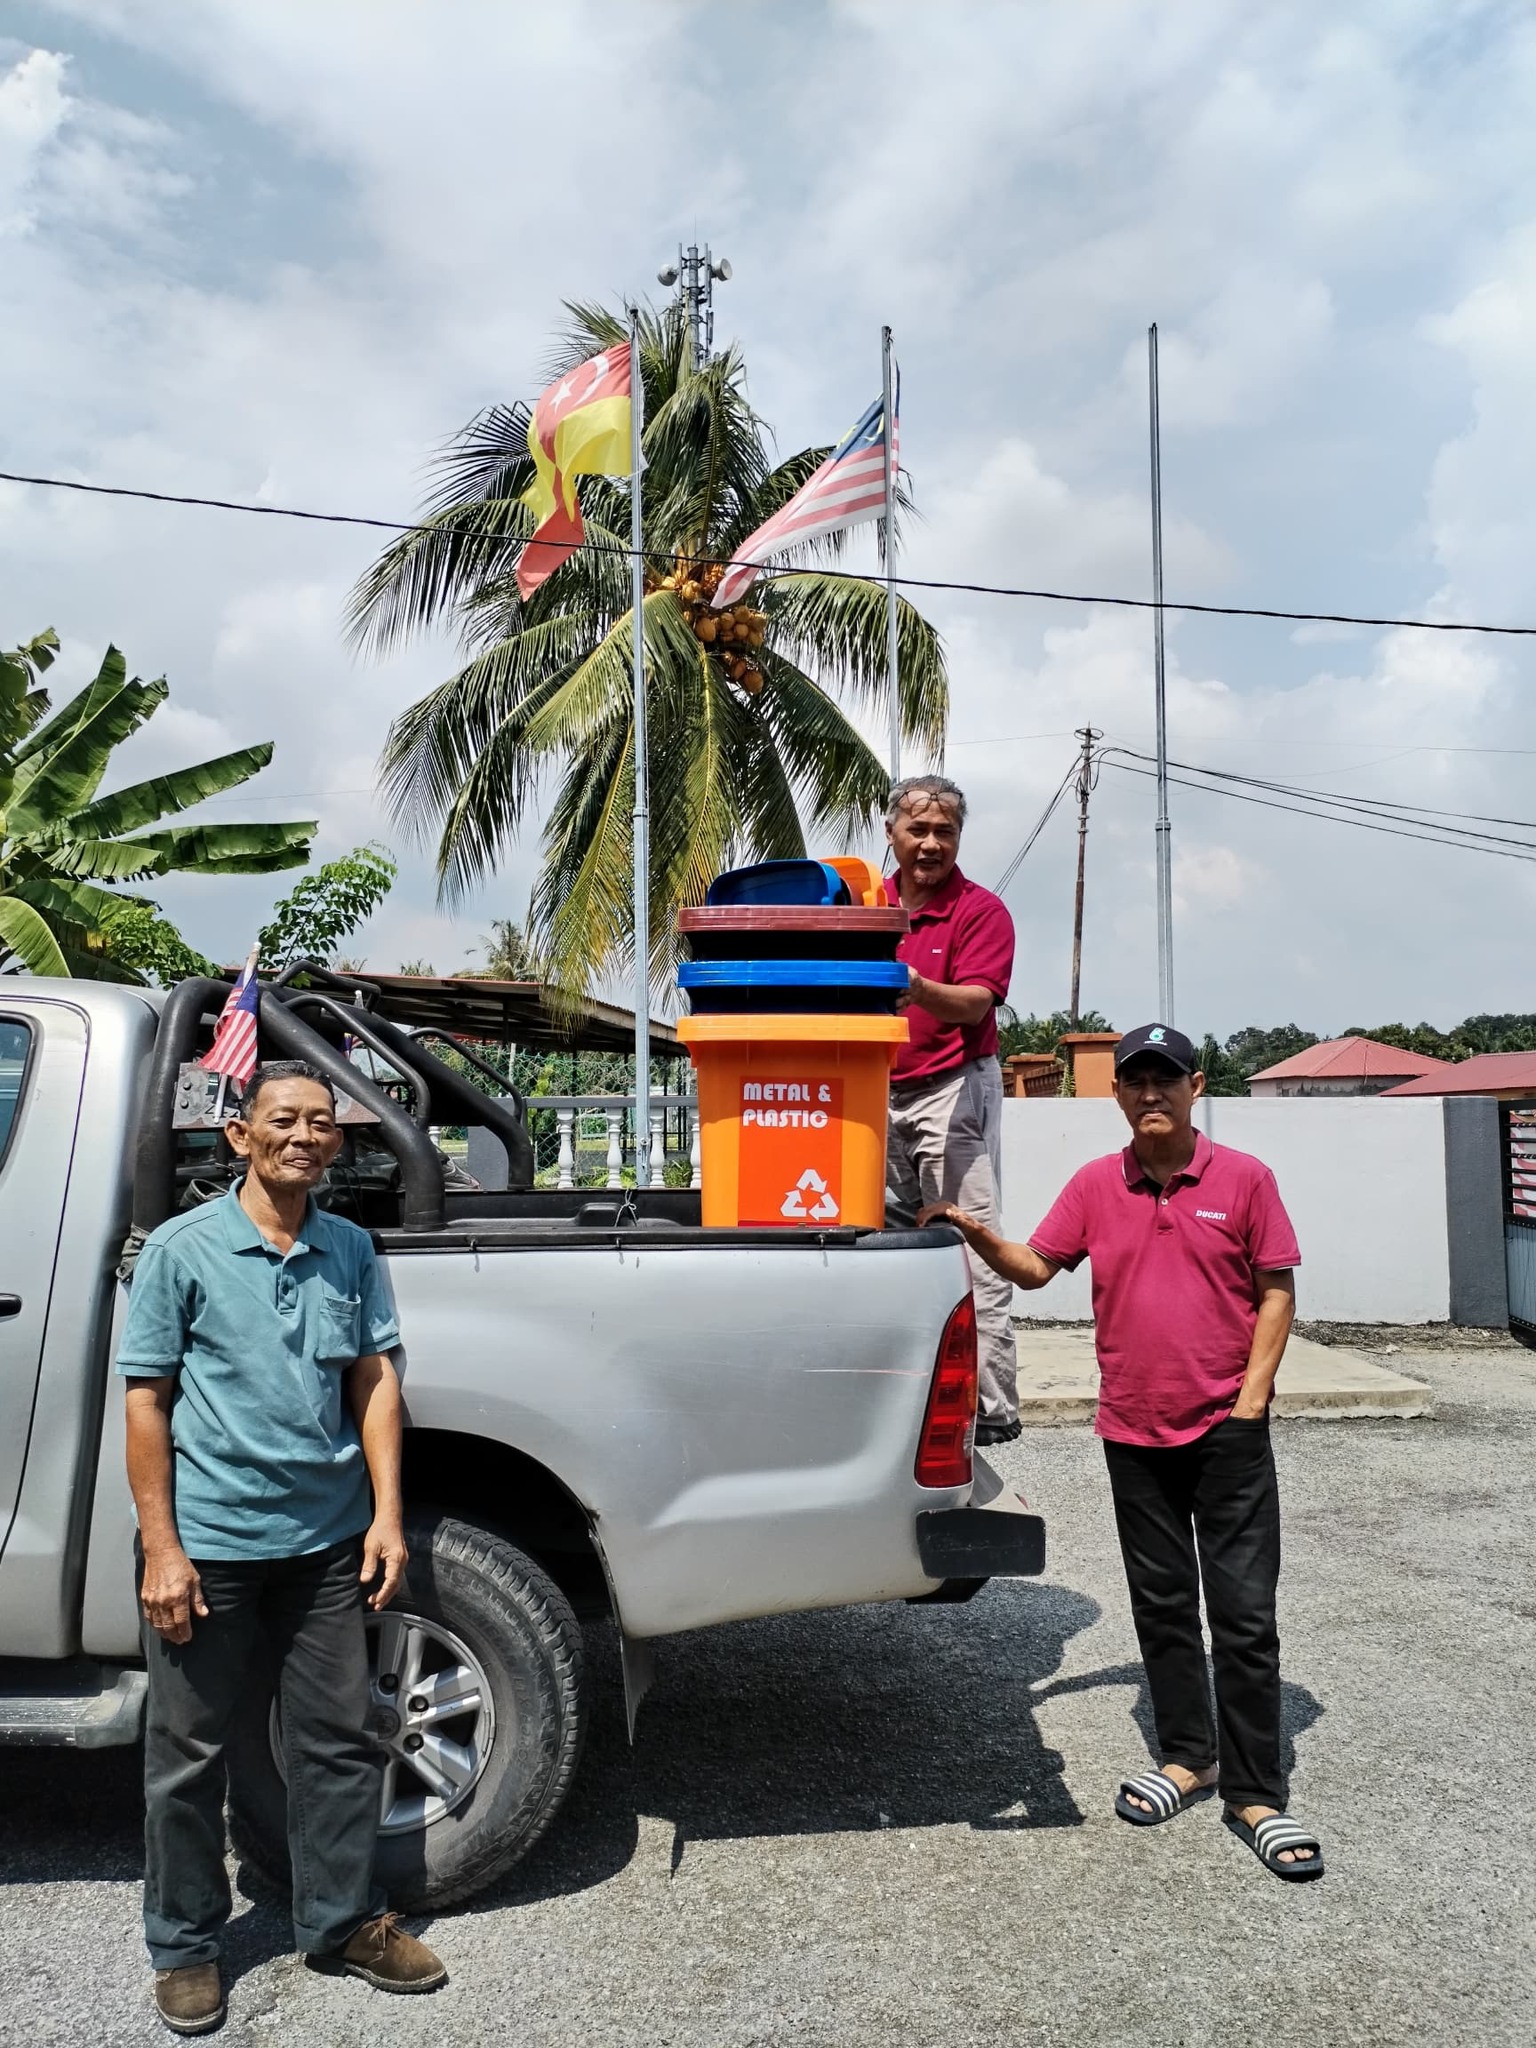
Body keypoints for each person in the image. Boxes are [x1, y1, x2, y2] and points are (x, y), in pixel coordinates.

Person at [920, 1024, 1324, 1882]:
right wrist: (967, 1226)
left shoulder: (1245, 1180)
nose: (1150, 1094)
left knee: (1245, 1618)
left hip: (1227, 1432)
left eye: (1165, 1080)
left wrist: (1251, 1405)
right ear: (1118, 1095)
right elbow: (1034, 1268)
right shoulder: (1097, 1185)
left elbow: (1277, 1288)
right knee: (1165, 1606)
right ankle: (1189, 1757)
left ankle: (1256, 1794)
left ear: (1195, 1087)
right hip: (1132, 1432)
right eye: (1136, 1081)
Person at [118, 1060, 447, 2034]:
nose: (302, 1136)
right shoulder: (182, 1250)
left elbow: (375, 1381)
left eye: (320, 1123)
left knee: (337, 1741)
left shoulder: (350, 1249)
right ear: (239, 1135)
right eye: (282, 1120)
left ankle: (342, 1920)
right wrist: (161, 1547)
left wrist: (386, 1513)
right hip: (210, 1547)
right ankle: (184, 1943)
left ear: (336, 1144)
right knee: (187, 1754)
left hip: (324, 1545)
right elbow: (146, 1403)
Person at [883, 775, 1019, 1443]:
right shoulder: (865, 910)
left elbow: (975, 1003)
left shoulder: (981, 910)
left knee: (971, 1239)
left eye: (945, 831)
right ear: (892, 835)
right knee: (888, 1245)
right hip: (874, 1088)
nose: (931, 843)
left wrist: (915, 989)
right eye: (919, 829)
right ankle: (911, 1397)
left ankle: (994, 1408)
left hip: (953, 1086)